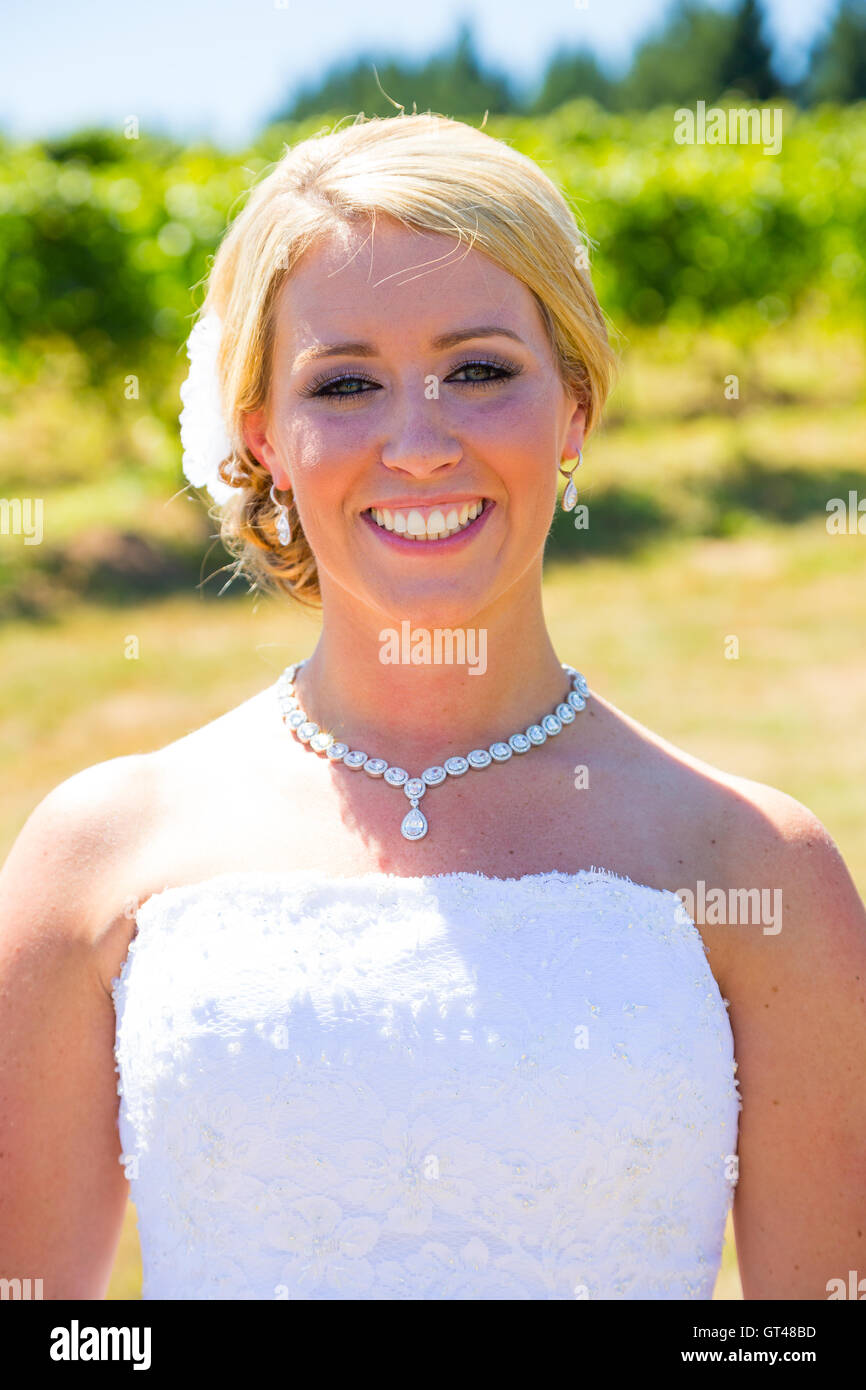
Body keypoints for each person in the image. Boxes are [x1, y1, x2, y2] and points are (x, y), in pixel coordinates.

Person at [1, 113, 864, 1301]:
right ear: (264, 434)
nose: (418, 444)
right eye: (345, 382)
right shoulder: (94, 856)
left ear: (573, 409)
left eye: (478, 370)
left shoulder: (760, 868)